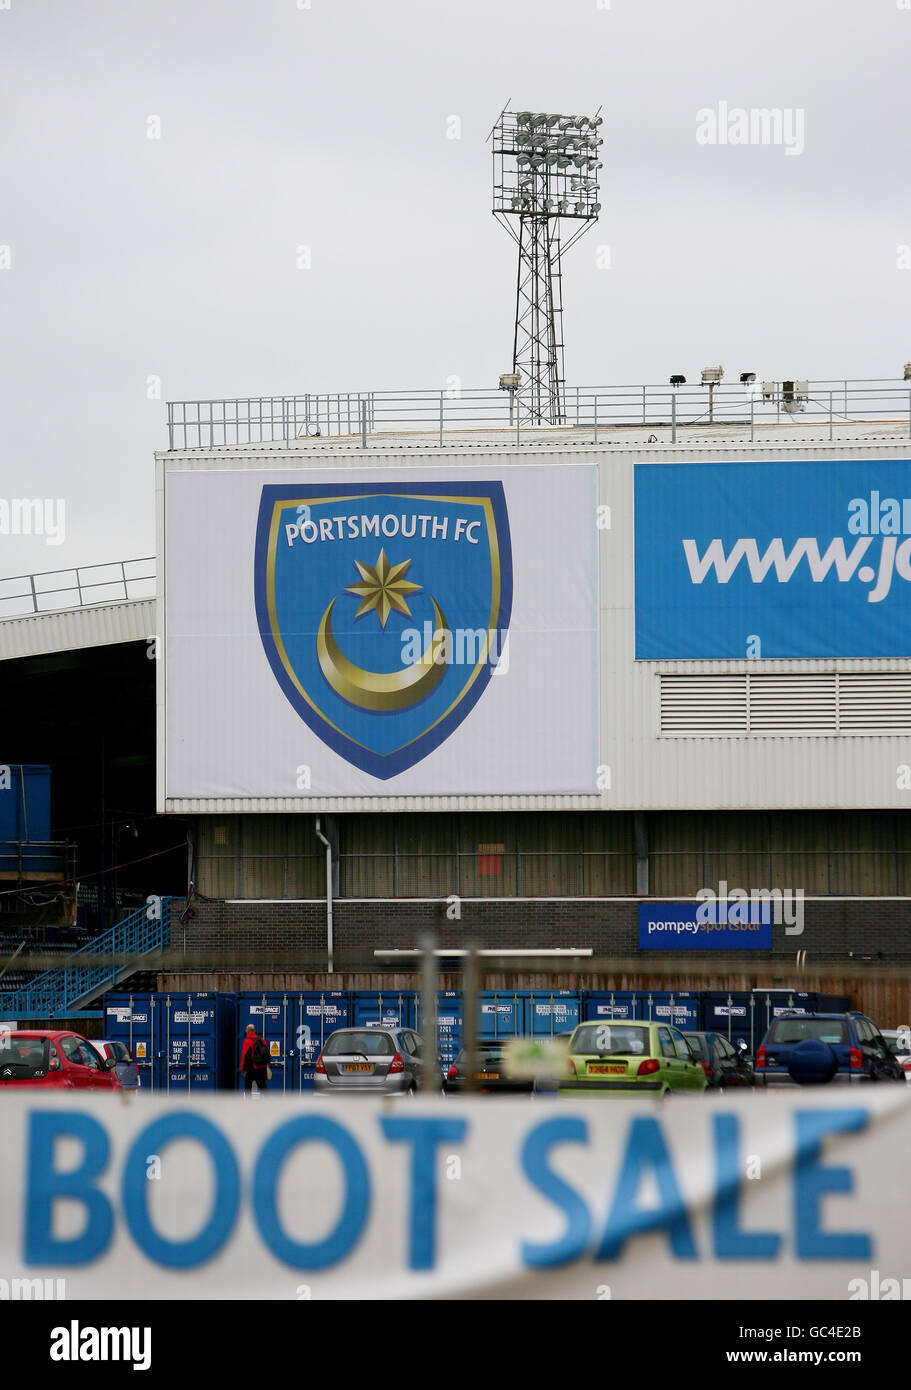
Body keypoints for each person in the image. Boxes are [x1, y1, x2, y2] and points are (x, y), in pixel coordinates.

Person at [240, 1023, 269, 1095]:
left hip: (251, 1069)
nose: (246, 1031)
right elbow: (266, 1054)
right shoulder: (262, 1040)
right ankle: (269, 1103)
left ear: (248, 1031)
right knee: (263, 1087)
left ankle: (249, 1105)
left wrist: (243, 1069)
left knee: (248, 1089)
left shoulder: (247, 1041)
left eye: (246, 1030)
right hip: (261, 1068)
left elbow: (244, 1056)